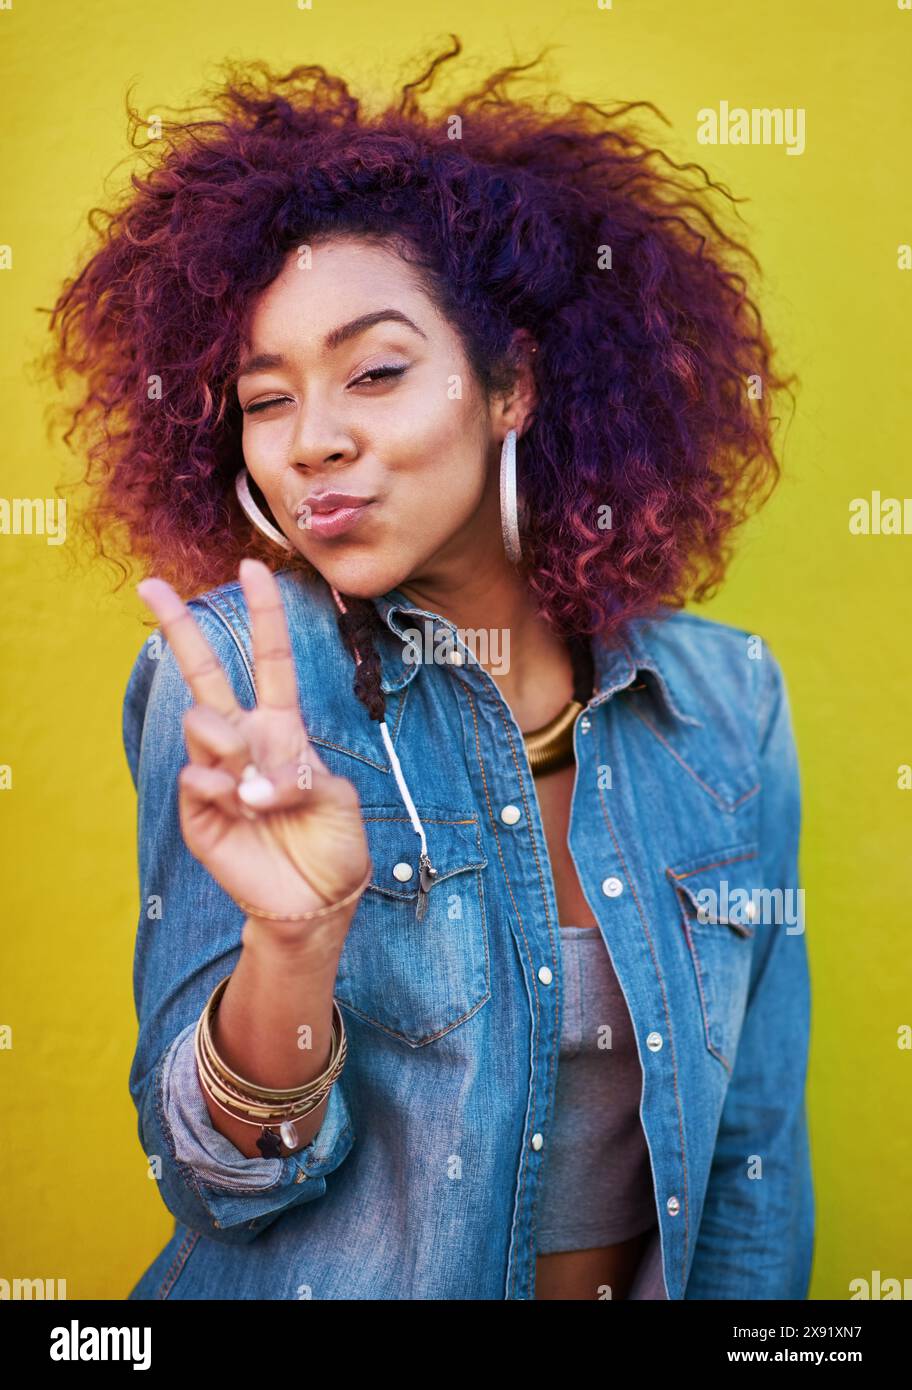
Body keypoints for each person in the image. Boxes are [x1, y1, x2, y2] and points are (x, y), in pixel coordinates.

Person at [49, 42, 814, 1300]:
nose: (316, 442)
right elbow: (215, 1183)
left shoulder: (728, 704)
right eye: (265, 397)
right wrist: (294, 944)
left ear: (509, 383)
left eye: (376, 371)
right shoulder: (240, 684)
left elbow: (754, 1162)